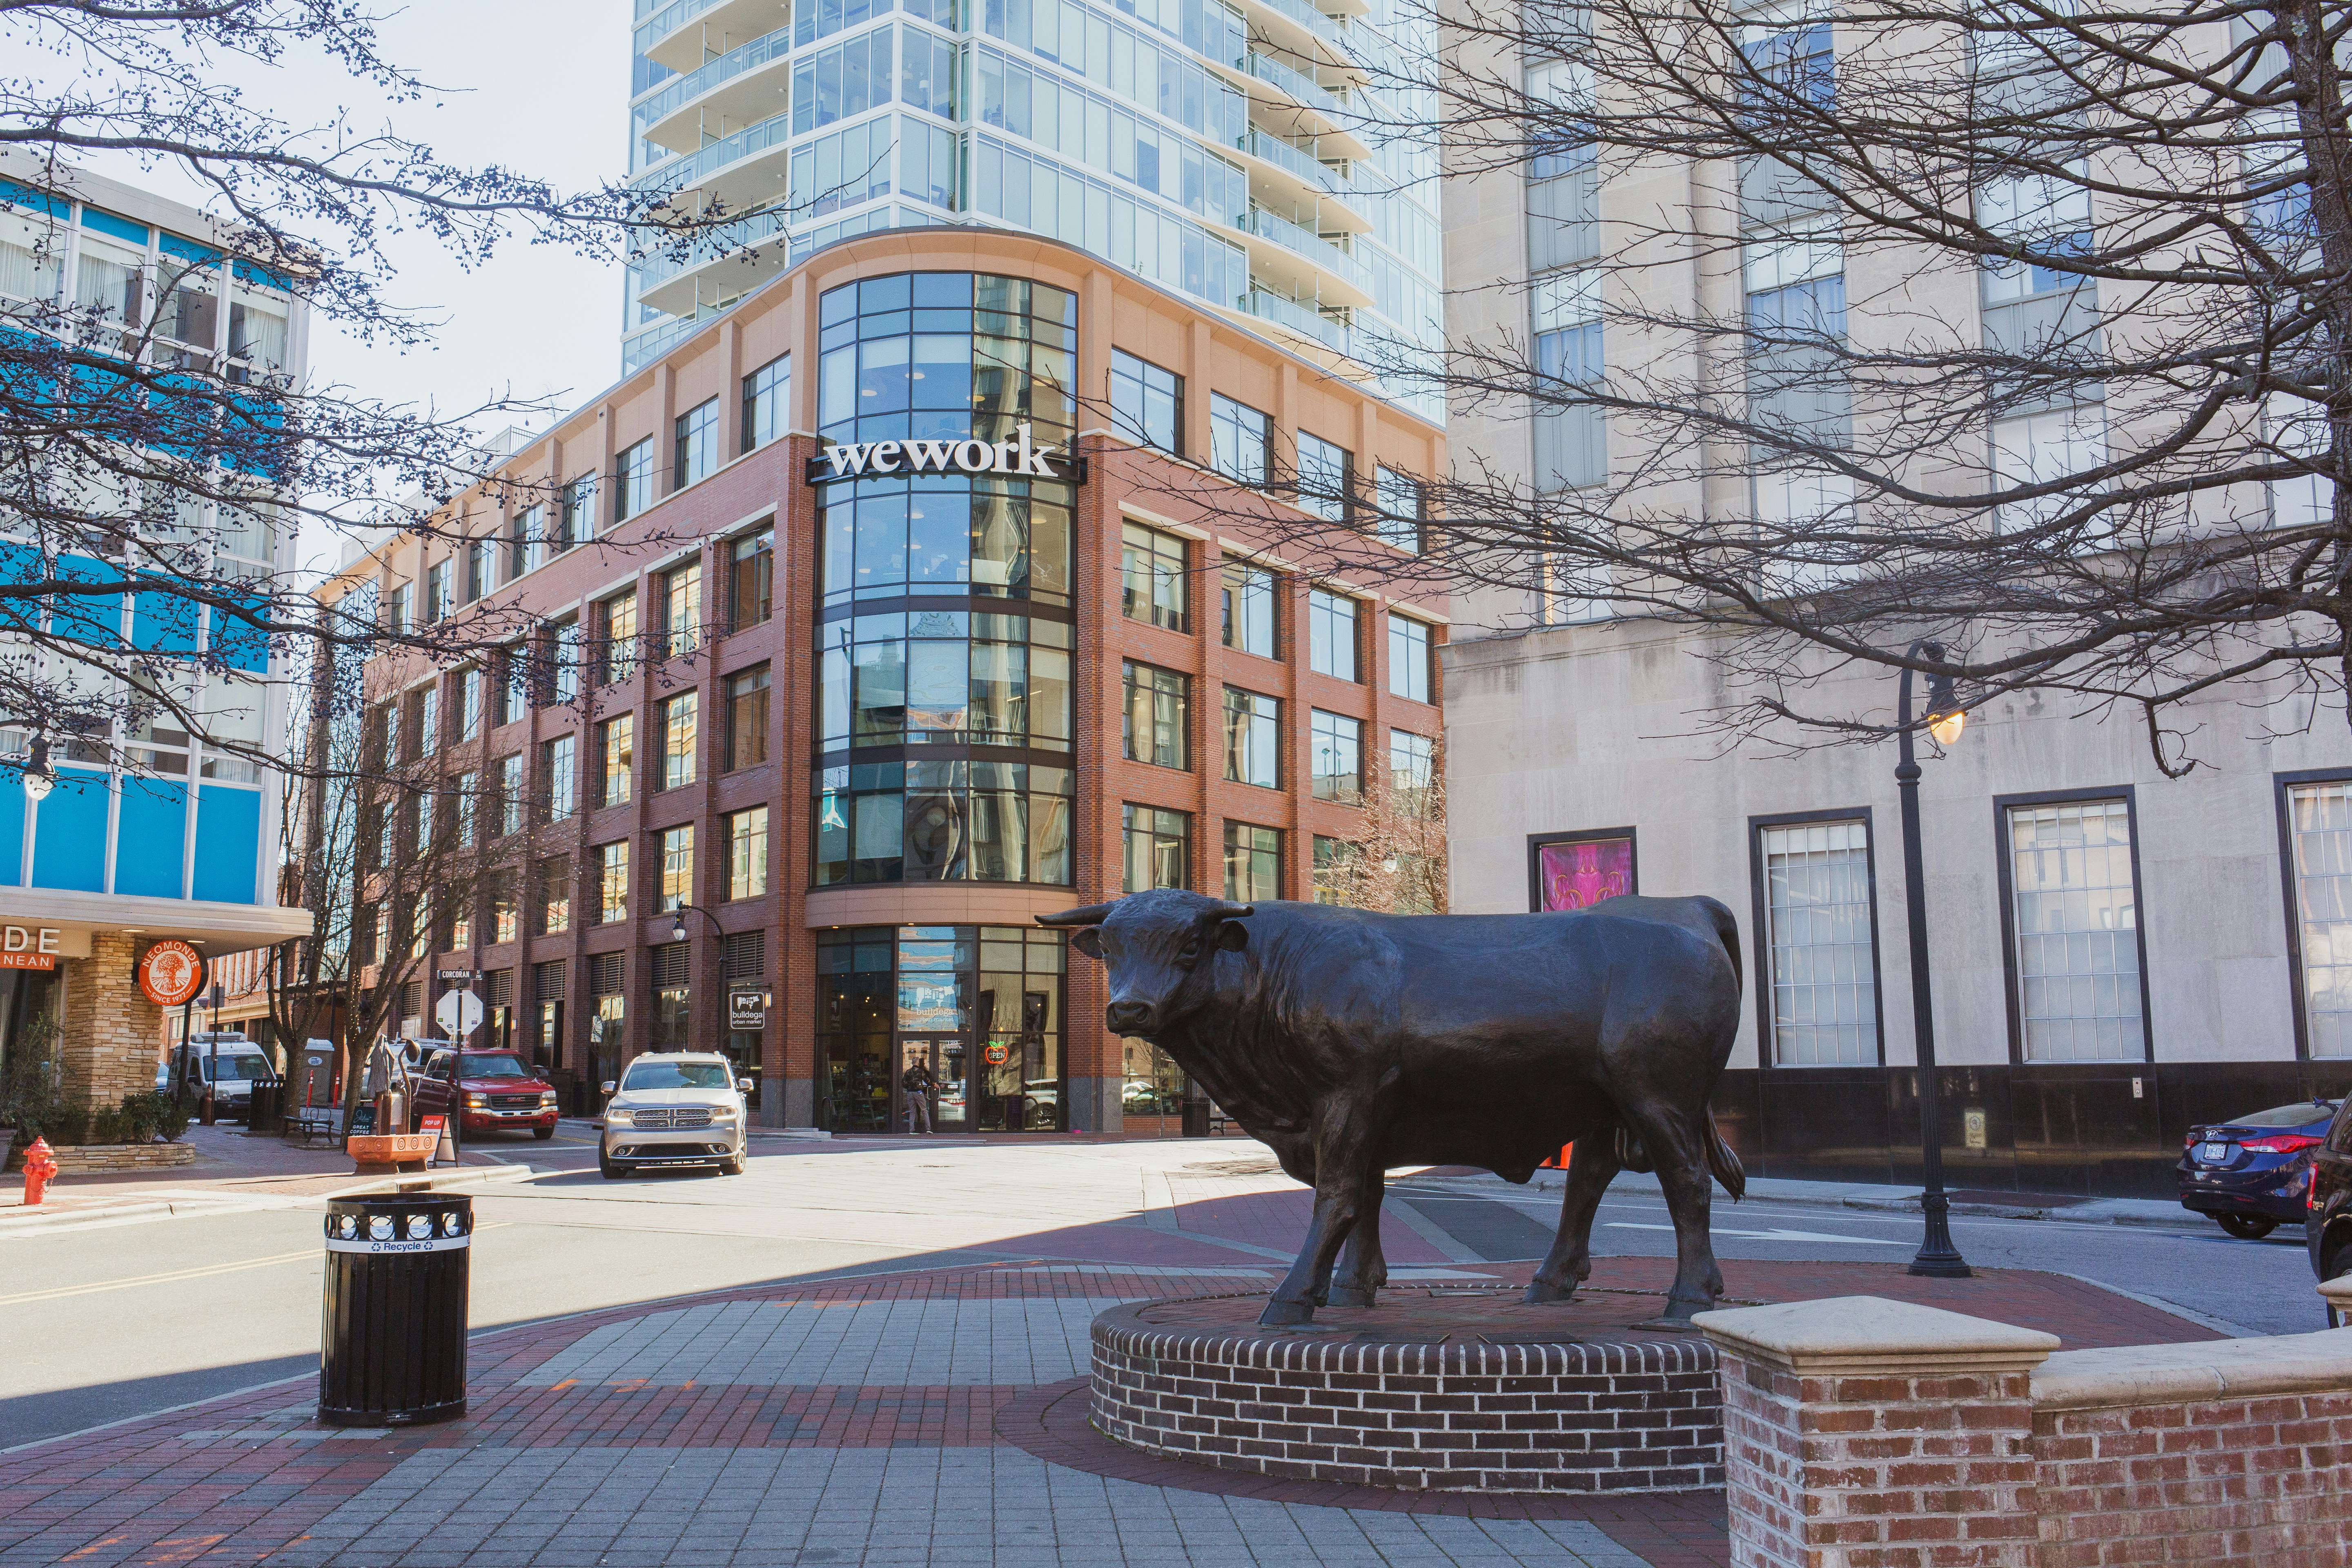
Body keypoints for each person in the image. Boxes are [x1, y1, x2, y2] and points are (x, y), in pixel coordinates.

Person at [902, 1058, 936, 1134]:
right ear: (918, 1063)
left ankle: (912, 1130)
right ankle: (928, 1128)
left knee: (912, 1111)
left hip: (910, 1093)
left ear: (912, 1063)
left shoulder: (908, 1072)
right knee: (924, 1110)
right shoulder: (921, 1071)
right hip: (919, 1092)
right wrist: (934, 1084)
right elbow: (927, 1080)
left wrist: (909, 1087)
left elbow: (904, 1083)